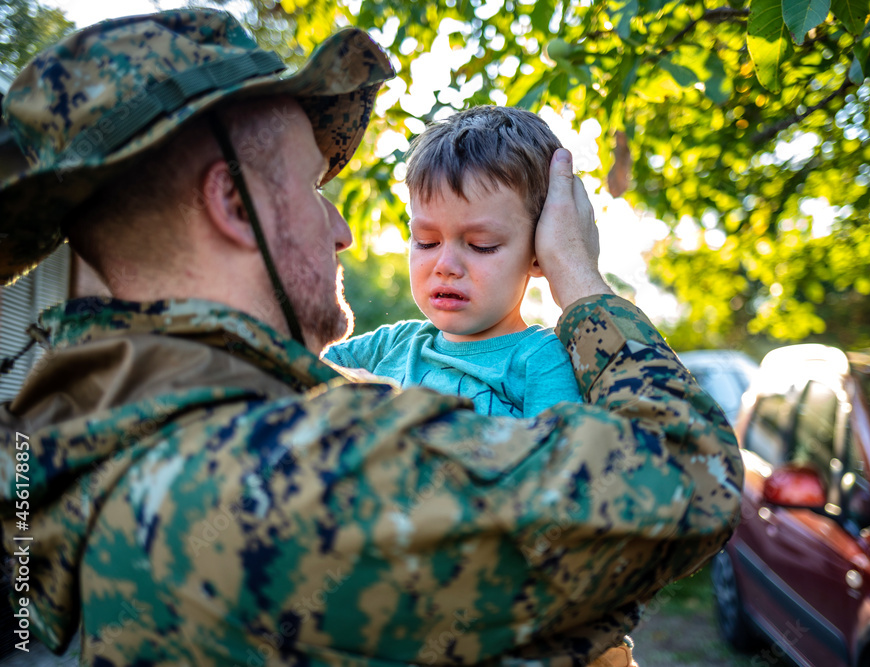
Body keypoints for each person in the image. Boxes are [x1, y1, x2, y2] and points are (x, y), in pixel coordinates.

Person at [0, 9, 743, 667]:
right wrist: (578, 272)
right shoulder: (298, 471)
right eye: (315, 188)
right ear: (232, 200)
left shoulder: (92, 435)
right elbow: (693, 476)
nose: (344, 231)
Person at [322, 106, 582, 418]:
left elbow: (563, 460)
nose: (445, 265)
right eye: (426, 241)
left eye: (480, 245)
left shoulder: (539, 360)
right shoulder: (389, 346)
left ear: (540, 253)